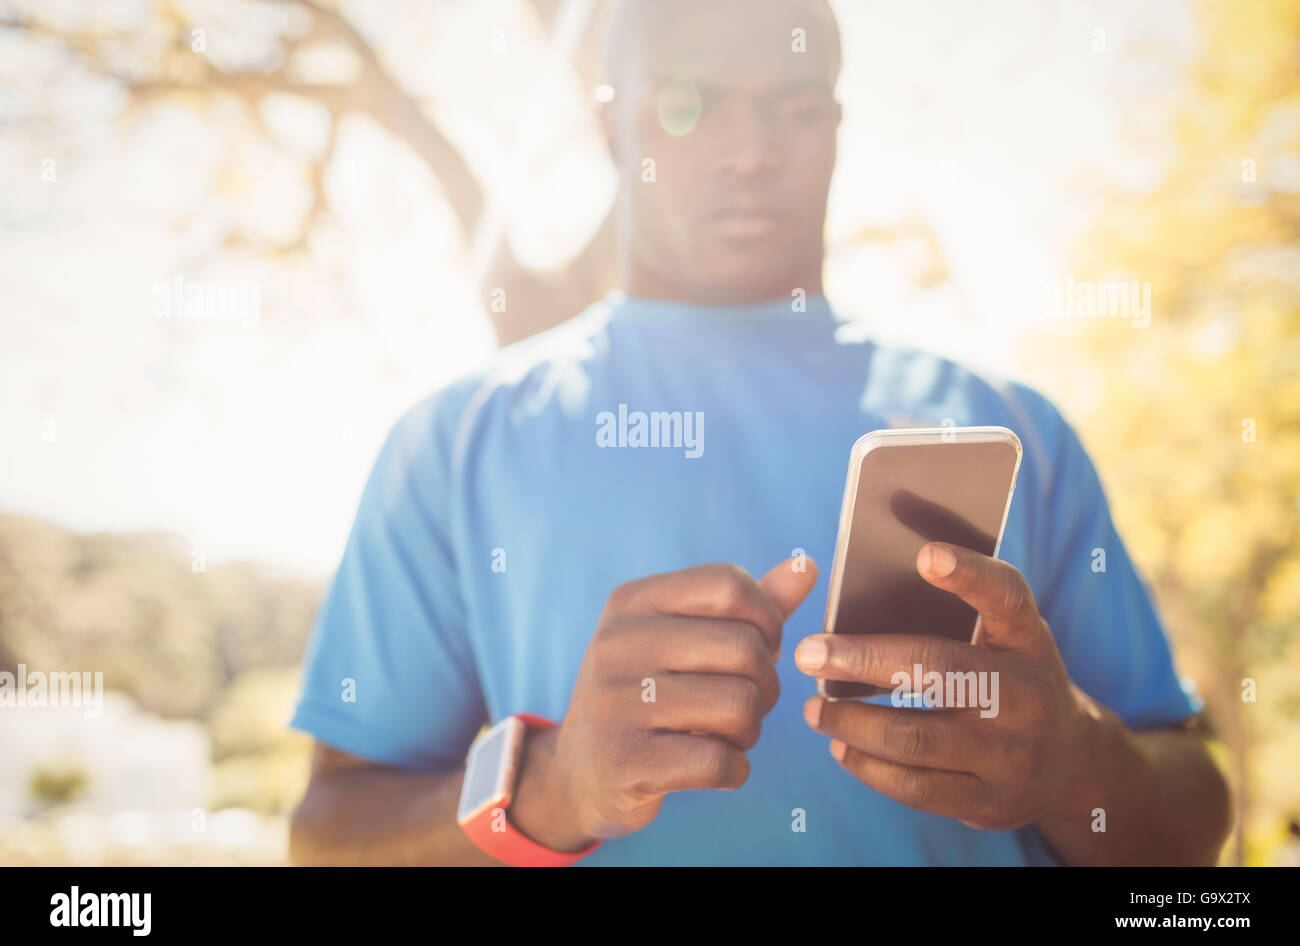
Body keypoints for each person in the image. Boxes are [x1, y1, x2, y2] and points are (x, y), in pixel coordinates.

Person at [287, 0, 1230, 865]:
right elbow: (328, 838)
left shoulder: (1009, 425)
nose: (749, 149)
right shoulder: (455, 443)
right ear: (610, 126)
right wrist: (548, 787)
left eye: (794, 106)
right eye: (691, 105)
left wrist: (1074, 763)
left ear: (835, 128)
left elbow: (1197, 805)